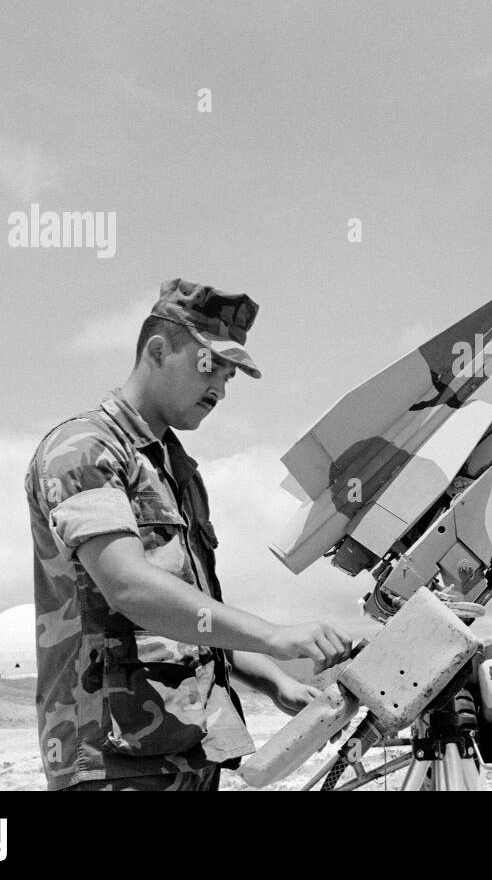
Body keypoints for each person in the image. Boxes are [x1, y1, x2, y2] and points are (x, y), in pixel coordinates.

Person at [24, 277, 351, 790]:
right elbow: (131, 589)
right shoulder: (85, 449)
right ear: (158, 350)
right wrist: (274, 634)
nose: (220, 388)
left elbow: (193, 611)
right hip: (115, 763)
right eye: (210, 366)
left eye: (231, 375)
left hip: (190, 752)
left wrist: (275, 683)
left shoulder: (177, 470)